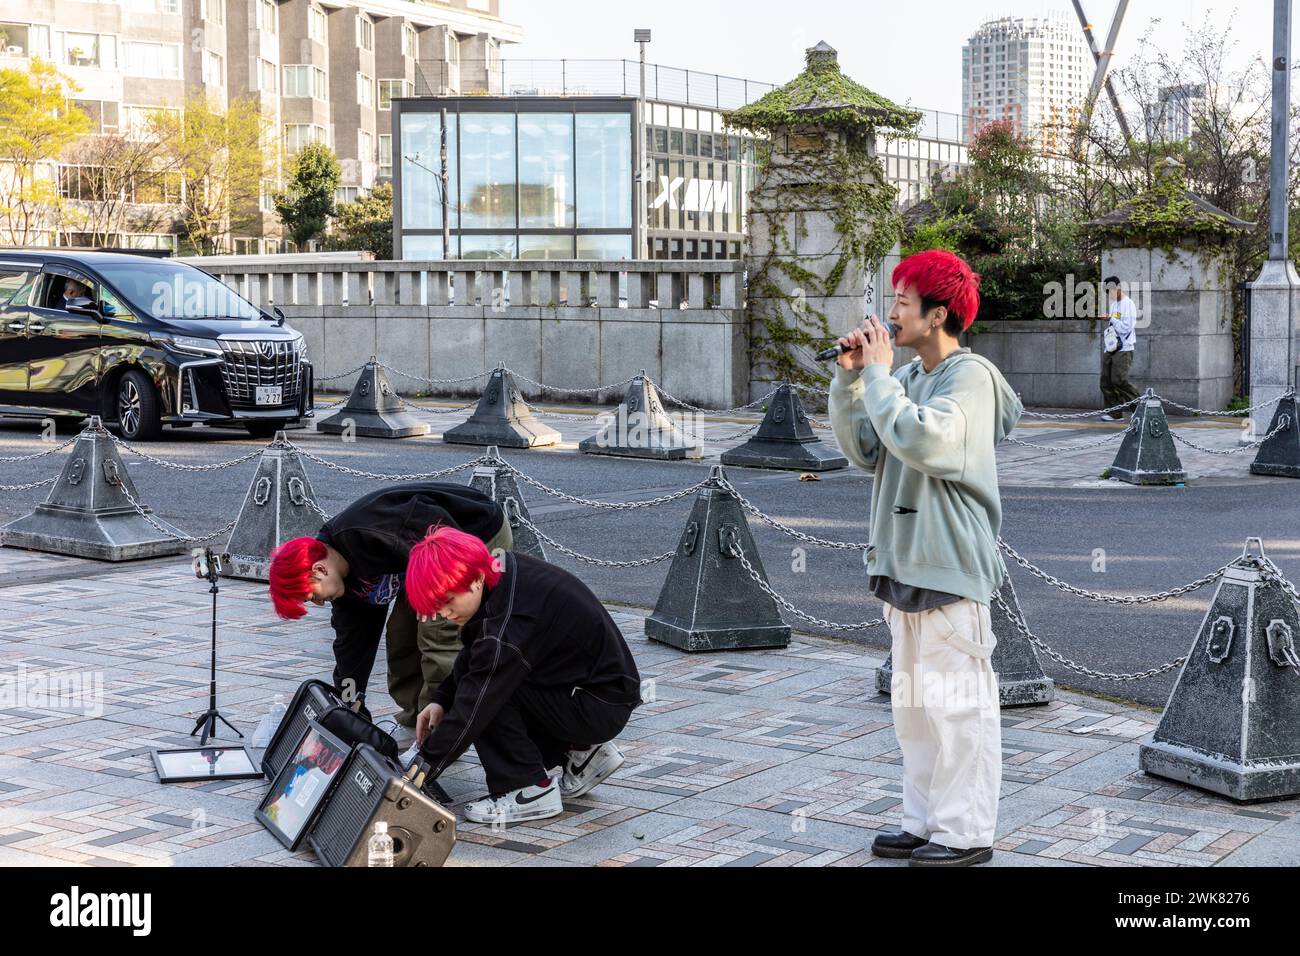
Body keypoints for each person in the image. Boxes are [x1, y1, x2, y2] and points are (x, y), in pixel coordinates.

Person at [828, 249, 1023, 867]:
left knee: (958, 708)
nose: (891, 314)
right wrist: (851, 379)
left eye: (903, 303)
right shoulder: (908, 377)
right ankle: (925, 820)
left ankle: (965, 833)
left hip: (949, 565)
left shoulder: (971, 378)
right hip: (903, 564)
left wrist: (880, 376)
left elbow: (925, 440)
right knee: (913, 711)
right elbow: (866, 447)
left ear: (938, 314)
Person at [404, 527, 641, 825]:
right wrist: (442, 700)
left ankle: (527, 790)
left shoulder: (510, 622)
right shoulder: (501, 572)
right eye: (436, 606)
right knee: (490, 679)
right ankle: (580, 753)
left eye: (448, 599)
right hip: (592, 692)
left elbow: (476, 699)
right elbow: (477, 656)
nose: (444, 613)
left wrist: (423, 765)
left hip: (597, 704)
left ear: (475, 578)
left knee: (489, 696)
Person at [268, 483, 511, 732]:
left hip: (476, 534)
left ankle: (440, 730)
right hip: (417, 559)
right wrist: (351, 706)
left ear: (319, 570)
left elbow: (440, 531)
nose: (318, 603)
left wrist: (434, 592)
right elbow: (352, 648)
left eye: (312, 596)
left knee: (436, 630)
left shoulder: (369, 530)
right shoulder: (345, 587)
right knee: (401, 633)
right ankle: (414, 721)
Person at [1100, 275, 1140, 420]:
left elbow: (1126, 327)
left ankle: (1139, 408)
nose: (1108, 294)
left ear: (1118, 288)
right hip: (1111, 347)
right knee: (1105, 381)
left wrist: (1111, 318)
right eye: (1106, 291)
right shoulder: (1113, 305)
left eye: (1110, 290)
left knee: (1119, 380)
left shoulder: (1128, 304)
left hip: (1124, 348)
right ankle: (1114, 412)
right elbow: (1115, 325)